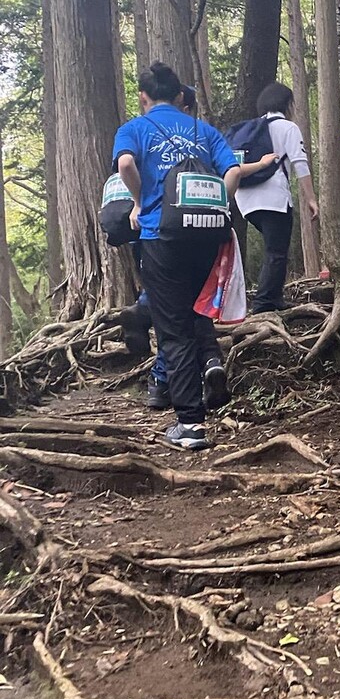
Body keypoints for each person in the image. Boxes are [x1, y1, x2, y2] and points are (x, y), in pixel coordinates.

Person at [112, 62, 240, 450]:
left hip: (160, 236)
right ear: (180, 95)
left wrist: (138, 202)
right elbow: (233, 171)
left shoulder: (134, 128)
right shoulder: (203, 130)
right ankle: (211, 368)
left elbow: (126, 164)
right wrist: (220, 203)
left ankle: (190, 424)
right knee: (197, 311)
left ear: (143, 96)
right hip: (207, 237)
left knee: (173, 328)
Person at [230, 82, 319, 313]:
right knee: (276, 251)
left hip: (245, 199)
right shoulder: (287, 127)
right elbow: (300, 163)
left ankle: (274, 298)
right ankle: (264, 305)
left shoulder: (249, 129)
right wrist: (310, 198)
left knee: (274, 248)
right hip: (273, 197)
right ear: (287, 104)